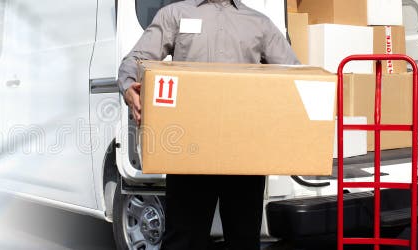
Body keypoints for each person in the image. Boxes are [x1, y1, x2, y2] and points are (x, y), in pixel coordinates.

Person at [117, 0, 300, 249]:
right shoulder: (175, 14)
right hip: (190, 151)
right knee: (183, 239)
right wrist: (129, 87)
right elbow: (137, 59)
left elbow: (295, 74)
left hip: (244, 154)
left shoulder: (259, 23)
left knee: (244, 240)